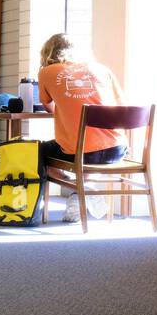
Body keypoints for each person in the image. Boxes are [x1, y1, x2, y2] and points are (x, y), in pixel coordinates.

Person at [36, 33, 127, 222]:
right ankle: (84, 190)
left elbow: (48, 106)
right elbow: (121, 105)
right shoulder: (102, 69)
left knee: (39, 151)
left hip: (80, 152)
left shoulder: (47, 72)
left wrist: (68, 112)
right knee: (86, 147)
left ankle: (79, 189)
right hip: (116, 149)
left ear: (49, 51)